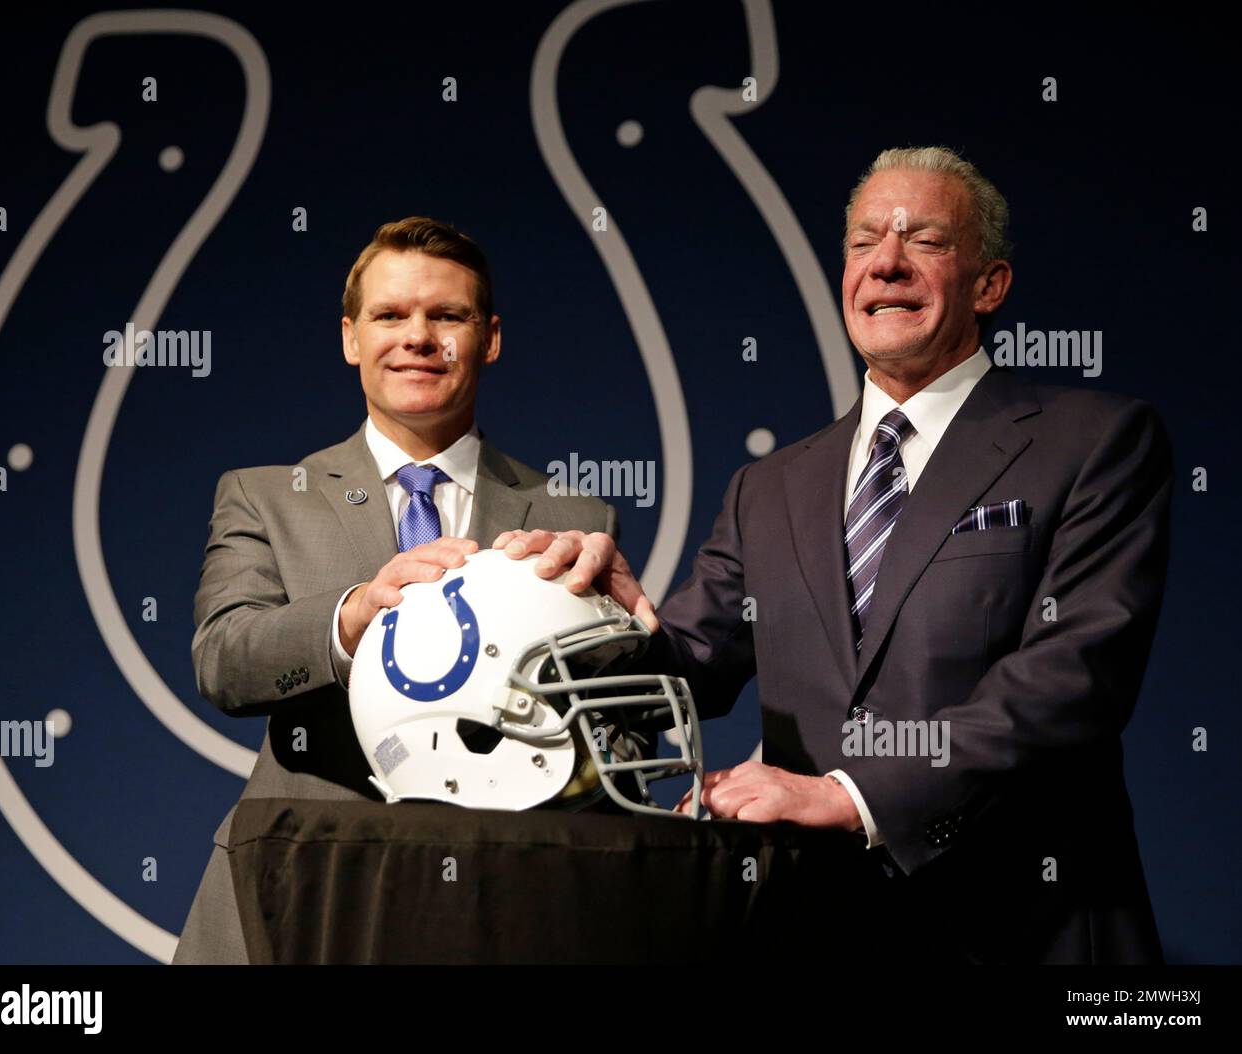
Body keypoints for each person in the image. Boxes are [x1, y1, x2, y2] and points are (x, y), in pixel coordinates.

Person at [495, 147, 1172, 964]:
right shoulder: (770, 486)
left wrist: (852, 794)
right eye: (862, 244)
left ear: (990, 285)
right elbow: (687, 665)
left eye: (924, 241)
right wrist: (603, 612)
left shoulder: (1094, 440)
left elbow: (1074, 682)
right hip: (810, 927)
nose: (886, 264)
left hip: (1025, 924)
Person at [173, 217, 615, 963]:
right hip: (298, 892)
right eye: (389, 315)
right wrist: (349, 620)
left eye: (446, 315)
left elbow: (610, 732)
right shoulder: (265, 496)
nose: (417, 336)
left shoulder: (574, 518)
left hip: (502, 903)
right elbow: (223, 658)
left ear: (491, 337)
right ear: (351, 338)